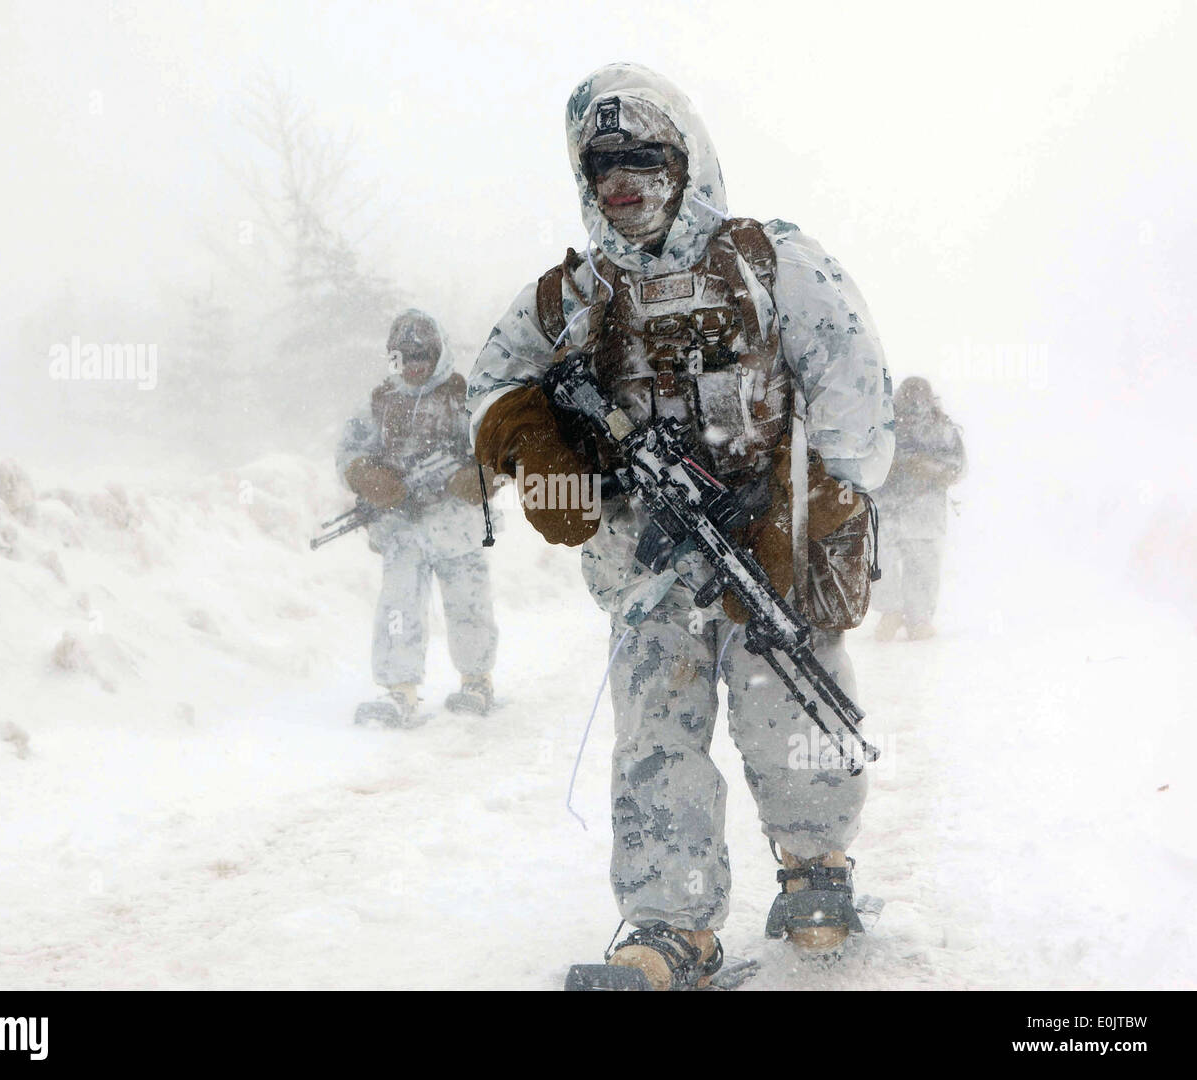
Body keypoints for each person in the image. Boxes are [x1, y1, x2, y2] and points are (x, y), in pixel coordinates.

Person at [467, 64, 894, 988]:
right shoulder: (569, 297)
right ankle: (671, 923)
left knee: (792, 712)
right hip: (647, 566)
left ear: (685, 158)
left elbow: (855, 384)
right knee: (656, 740)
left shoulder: (769, 260)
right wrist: (539, 451)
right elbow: (492, 386)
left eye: (642, 157)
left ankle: (816, 867)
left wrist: (830, 511)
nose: (621, 181)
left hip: (767, 552)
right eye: (601, 165)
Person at [337, 309, 498, 727]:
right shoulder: (381, 400)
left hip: (458, 523)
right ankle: (399, 690)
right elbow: (349, 449)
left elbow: (498, 446)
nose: (413, 366)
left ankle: (476, 680)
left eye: (421, 355)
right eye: (403, 357)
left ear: (439, 353)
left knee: (468, 604)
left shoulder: (465, 395)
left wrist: (478, 476)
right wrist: (366, 477)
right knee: (398, 605)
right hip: (402, 526)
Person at [871, 377, 966, 641]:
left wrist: (928, 467)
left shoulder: (942, 430)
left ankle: (919, 619)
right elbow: (870, 461)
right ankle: (891, 612)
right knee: (880, 562)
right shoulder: (885, 427)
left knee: (922, 566)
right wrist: (893, 466)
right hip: (887, 507)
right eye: (907, 398)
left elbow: (958, 468)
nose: (913, 405)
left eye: (918, 399)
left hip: (924, 510)